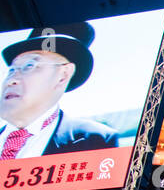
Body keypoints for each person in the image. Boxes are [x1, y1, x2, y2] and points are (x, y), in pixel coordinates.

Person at [0, 22, 117, 160]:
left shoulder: (96, 139)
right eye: (12, 70)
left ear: (63, 75)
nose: (11, 80)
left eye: (29, 66)